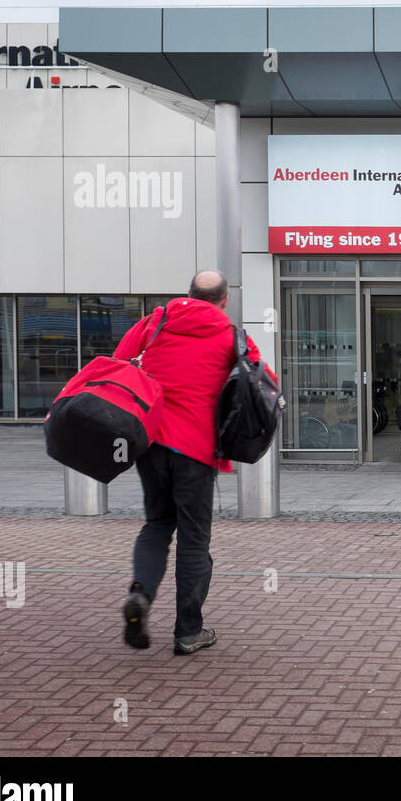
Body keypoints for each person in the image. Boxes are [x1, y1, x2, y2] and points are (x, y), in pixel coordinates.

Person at [114, 270, 275, 656]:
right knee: (193, 540)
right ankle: (188, 631)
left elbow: (118, 366)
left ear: (186, 294)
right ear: (223, 300)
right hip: (196, 450)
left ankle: (141, 594)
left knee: (156, 524)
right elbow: (263, 382)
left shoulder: (153, 324)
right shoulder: (231, 336)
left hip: (150, 444)